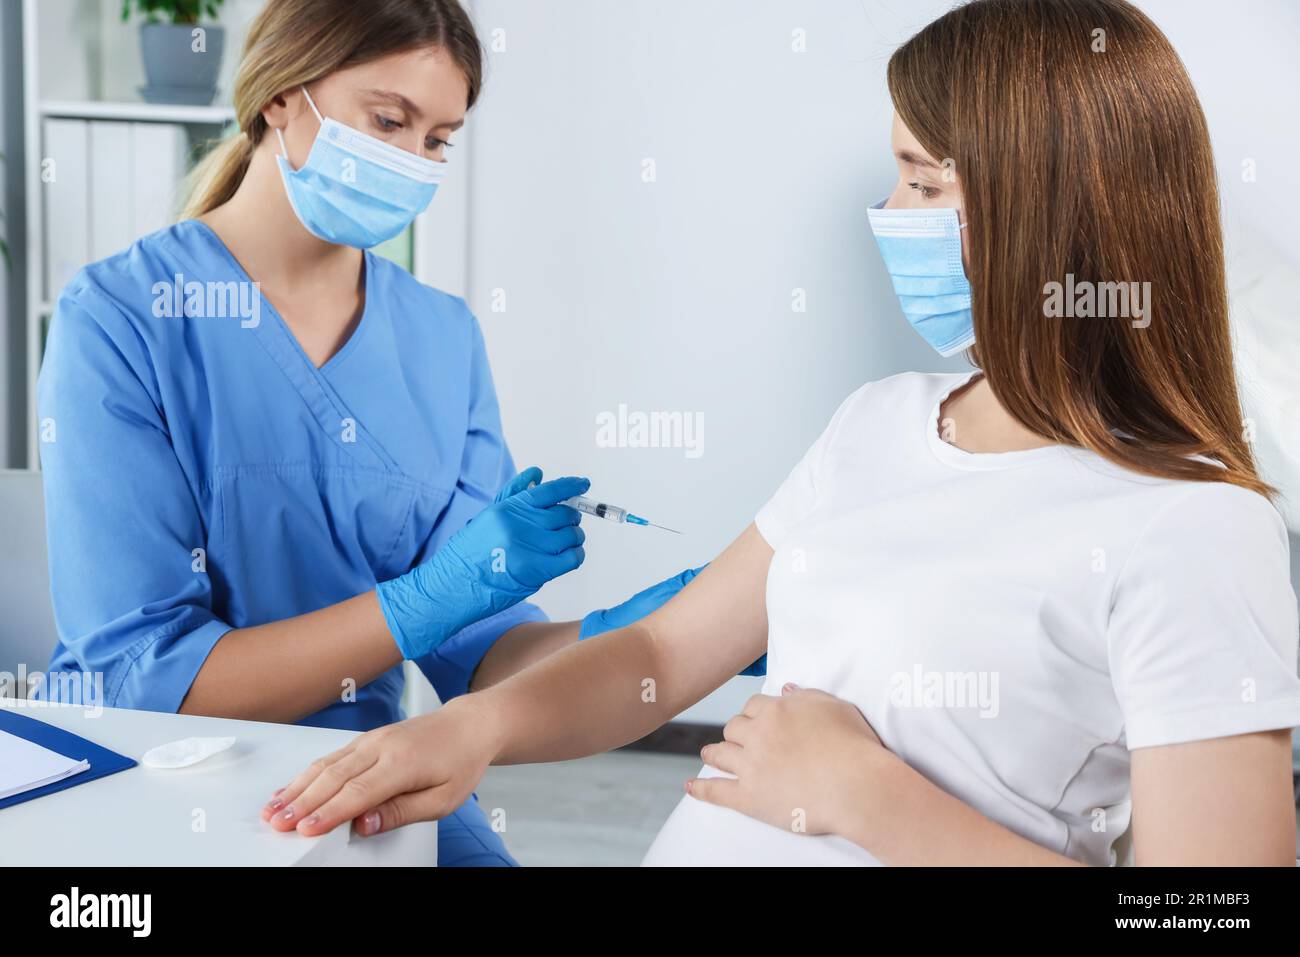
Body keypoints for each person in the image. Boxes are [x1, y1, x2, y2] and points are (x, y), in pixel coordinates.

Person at [264, 0, 1300, 866]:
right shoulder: (884, 420)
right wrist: (474, 728)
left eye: (927, 183)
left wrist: (866, 796)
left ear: (1057, 213)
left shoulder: (1195, 525)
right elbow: (665, 654)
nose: (890, 209)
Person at [35, 0, 739, 867]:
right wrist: (430, 594)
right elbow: (144, 679)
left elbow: (479, 658)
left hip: (367, 778)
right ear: (281, 97)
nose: (412, 162)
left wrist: (660, 625)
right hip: (162, 782)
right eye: (388, 121)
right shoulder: (119, 319)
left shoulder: (441, 338)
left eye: (438, 139)